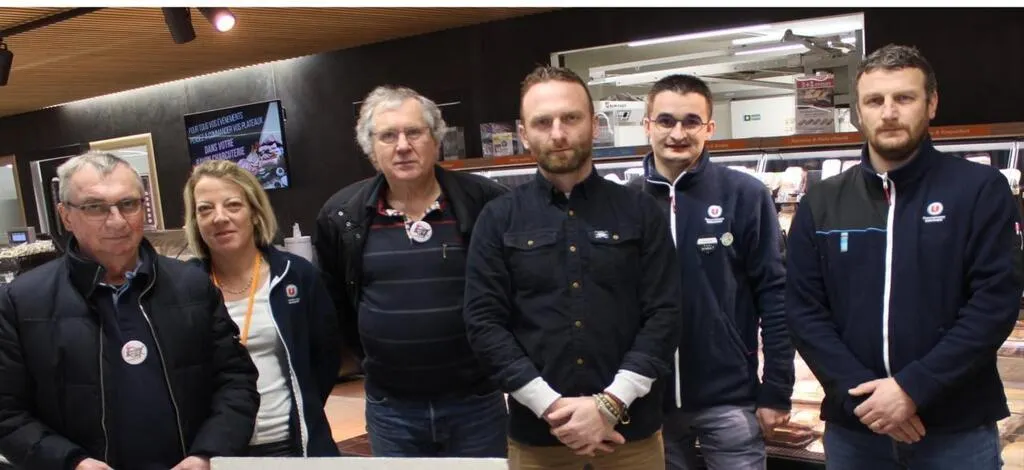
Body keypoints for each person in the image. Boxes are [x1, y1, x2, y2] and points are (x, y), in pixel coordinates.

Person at [787, 44, 1024, 469]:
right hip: (856, 427)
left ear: (931, 104)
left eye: (904, 98)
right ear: (859, 112)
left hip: (957, 429)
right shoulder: (822, 201)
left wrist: (911, 389)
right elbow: (804, 311)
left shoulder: (979, 189)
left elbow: (994, 303)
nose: (889, 112)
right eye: (874, 101)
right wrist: (866, 394)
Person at [462, 66, 683, 470]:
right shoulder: (498, 219)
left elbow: (664, 314)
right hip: (539, 438)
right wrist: (552, 407)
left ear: (594, 125)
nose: (558, 133)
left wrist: (610, 404)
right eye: (542, 122)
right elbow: (484, 322)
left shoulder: (641, 212)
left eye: (571, 118)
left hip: (630, 435)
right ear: (524, 133)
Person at [0, 151, 259, 470]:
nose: (117, 221)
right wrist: (71, 463)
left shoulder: (192, 287)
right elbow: (7, 413)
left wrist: (208, 452)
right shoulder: (22, 302)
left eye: (128, 204)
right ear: (65, 215)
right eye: (95, 207)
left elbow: (236, 381)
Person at [313, 85, 509, 457]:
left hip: (476, 404)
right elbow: (337, 306)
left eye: (414, 132)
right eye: (388, 136)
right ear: (371, 149)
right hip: (393, 411)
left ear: (436, 140)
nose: (402, 145)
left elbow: (510, 292)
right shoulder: (342, 216)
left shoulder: (487, 204)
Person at [628, 74, 793, 469]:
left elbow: (775, 294)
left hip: (731, 400)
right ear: (647, 125)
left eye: (691, 121)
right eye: (666, 121)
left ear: (710, 128)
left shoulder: (745, 195)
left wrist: (776, 389)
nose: (678, 133)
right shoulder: (623, 203)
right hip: (648, 402)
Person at [182, 160, 342, 457]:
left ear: (254, 213)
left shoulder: (296, 275)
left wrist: (304, 407)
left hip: (292, 445)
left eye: (232, 205)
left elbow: (326, 358)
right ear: (195, 221)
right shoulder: (182, 287)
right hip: (218, 451)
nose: (219, 218)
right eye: (205, 209)